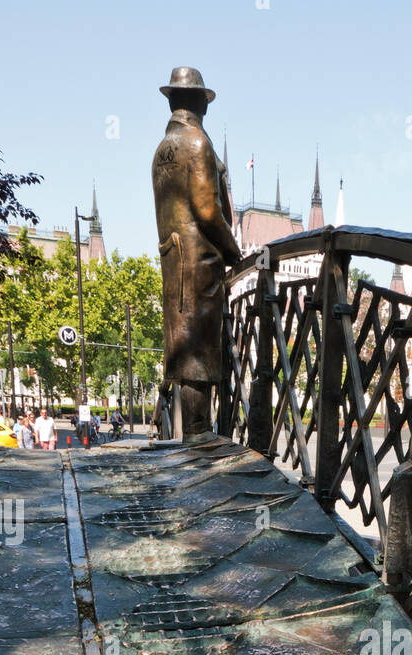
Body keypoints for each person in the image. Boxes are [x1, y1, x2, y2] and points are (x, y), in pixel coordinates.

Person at [152, 67, 241, 440]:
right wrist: (234, 251)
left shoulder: (162, 151)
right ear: (199, 103)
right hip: (200, 264)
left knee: (184, 351)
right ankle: (199, 441)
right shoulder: (197, 143)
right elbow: (207, 211)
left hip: (175, 263)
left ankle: (192, 440)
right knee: (199, 358)